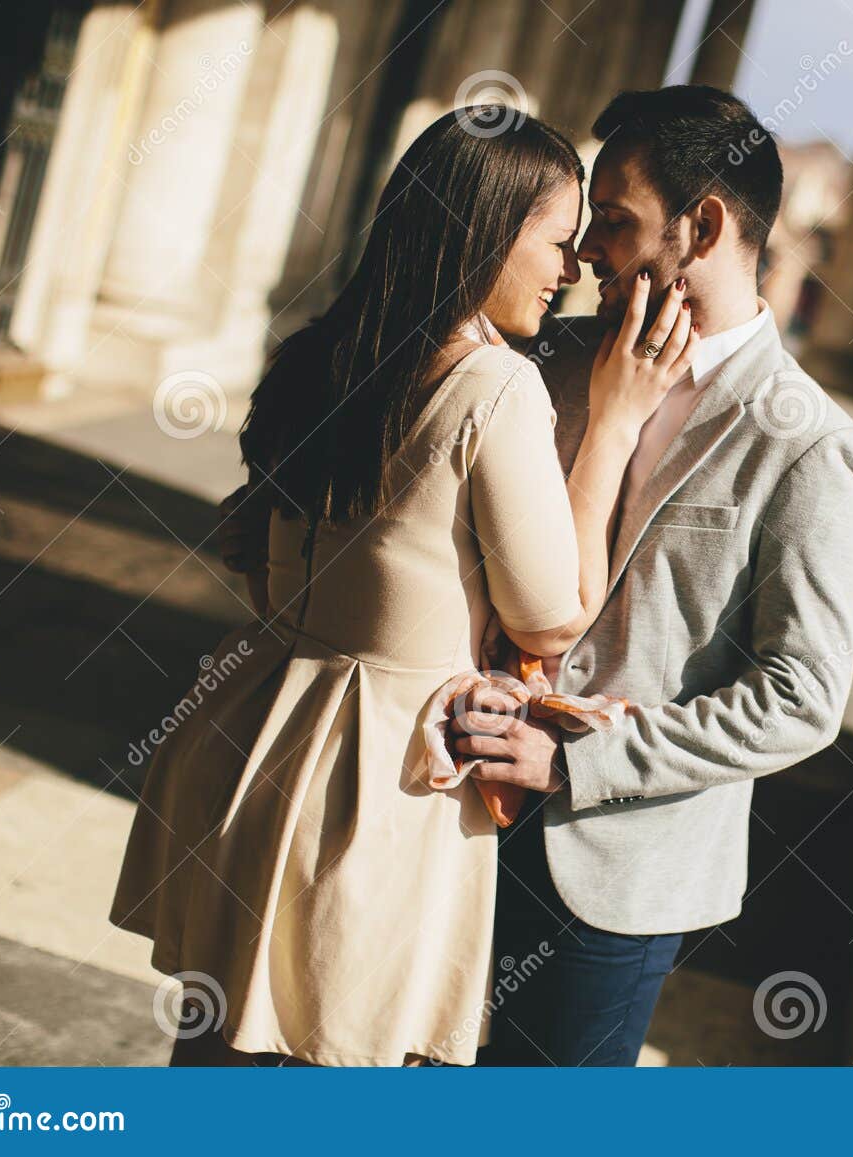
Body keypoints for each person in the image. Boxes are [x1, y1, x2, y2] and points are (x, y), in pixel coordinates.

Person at [223, 85, 853, 1068]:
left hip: (612, 874)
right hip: (432, 817)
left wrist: (573, 760)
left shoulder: (810, 447)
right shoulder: (532, 360)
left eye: (613, 224)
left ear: (701, 226)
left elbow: (799, 699)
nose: (586, 255)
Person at [110, 105, 696, 1067]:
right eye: (554, 240)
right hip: (372, 779)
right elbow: (552, 611)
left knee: (220, 1048)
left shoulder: (315, 358)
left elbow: (262, 570)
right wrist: (617, 425)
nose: (570, 269)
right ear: (487, 236)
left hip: (255, 737)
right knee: (340, 1055)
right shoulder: (495, 386)